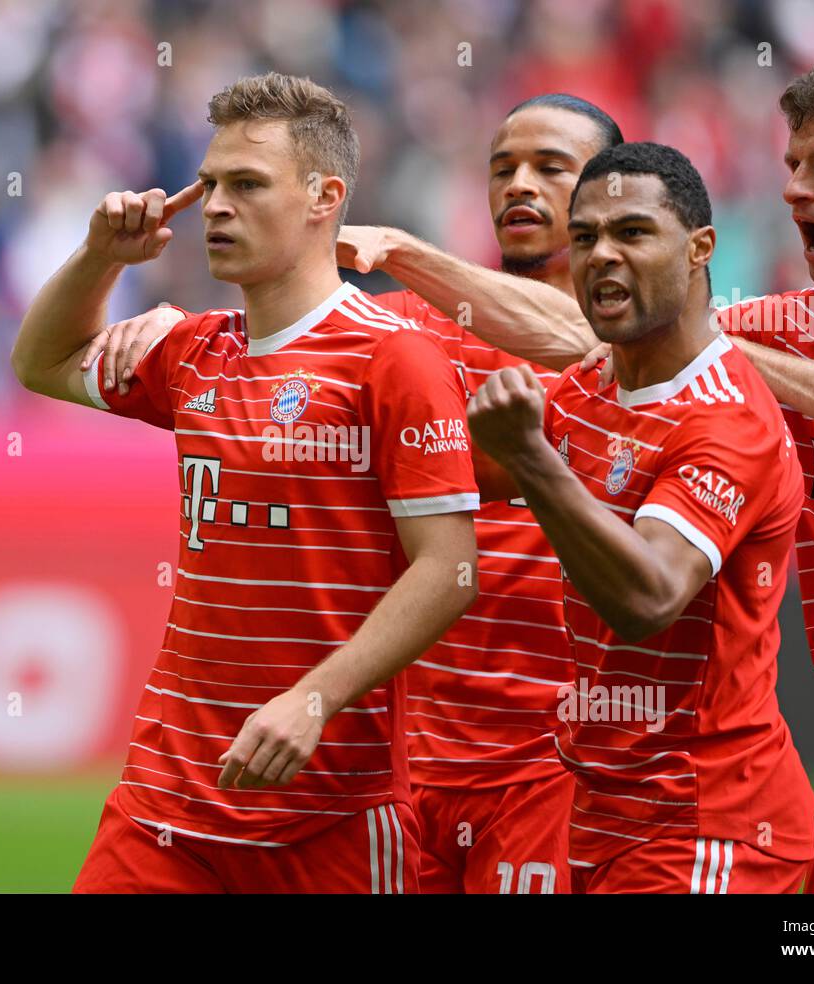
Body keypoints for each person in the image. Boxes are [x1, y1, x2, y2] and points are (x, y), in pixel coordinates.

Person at [93, 94, 617, 893]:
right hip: (410, 754)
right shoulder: (409, 332)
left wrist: (407, 250)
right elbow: (297, 332)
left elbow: (591, 339)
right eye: (503, 166)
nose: (521, 184)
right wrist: (163, 321)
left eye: (552, 168)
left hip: (549, 755)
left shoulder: (642, 349)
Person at [11, 72, 480, 893]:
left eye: (248, 184)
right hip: (166, 801)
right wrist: (100, 259)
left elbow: (449, 567)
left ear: (323, 199)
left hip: (329, 806)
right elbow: (40, 363)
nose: (216, 206)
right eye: (212, 183)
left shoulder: (395, 358)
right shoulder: (193, 351)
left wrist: (314, 698)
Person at [584, 54, 814, 893]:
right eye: (792, 163)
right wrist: (414, 267)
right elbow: (631, 322)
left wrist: (724, 353)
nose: (795, 187)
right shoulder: (783, 324)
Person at [468, 142, 814, 893]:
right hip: (603, 805)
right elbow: (441, 477)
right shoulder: (588, 389)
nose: (602, 255)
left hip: (709, 824)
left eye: (632, 233)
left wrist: (529, 459)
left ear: (700, 250)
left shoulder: (728, 420)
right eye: (586, 236)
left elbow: (649, 597)